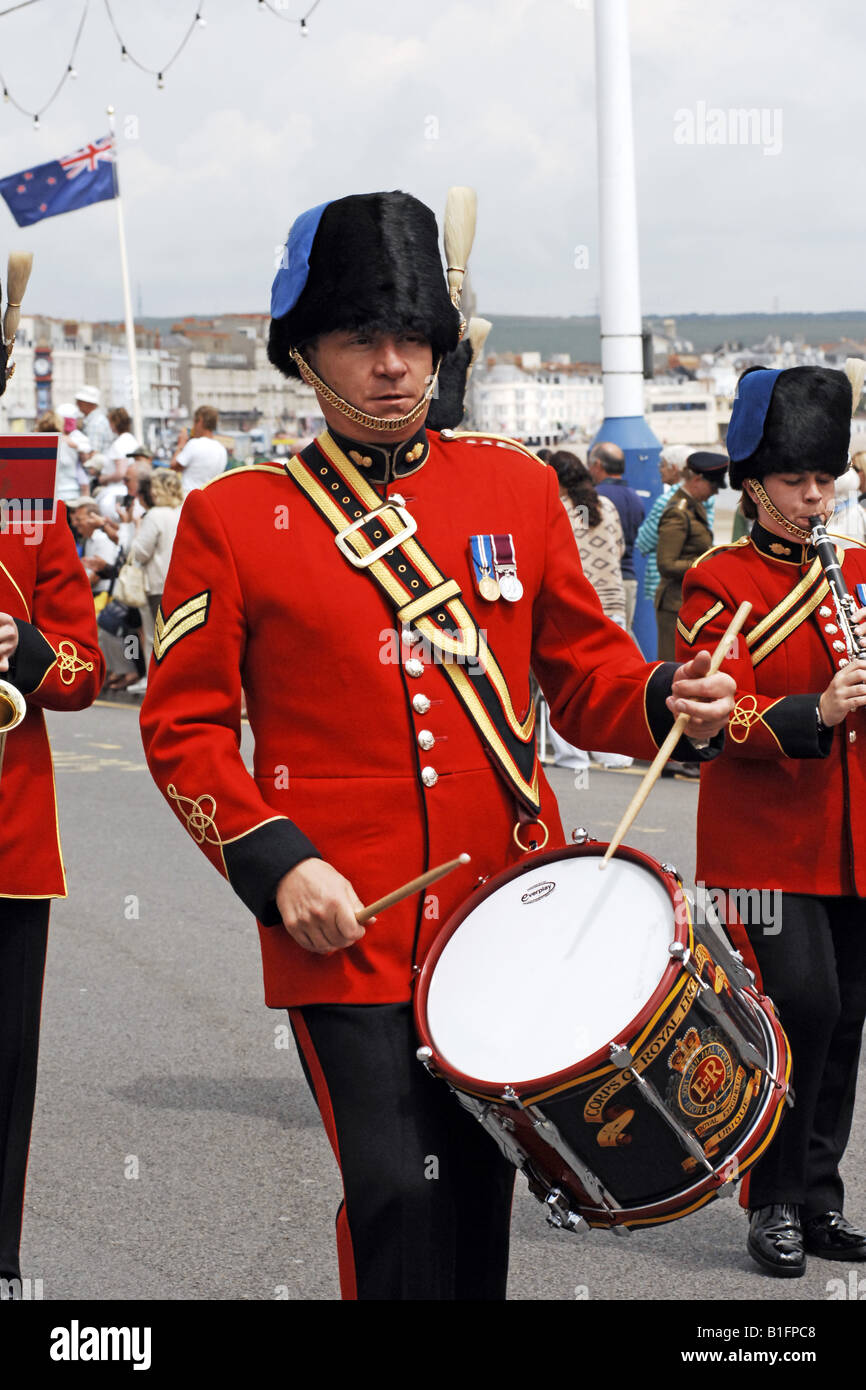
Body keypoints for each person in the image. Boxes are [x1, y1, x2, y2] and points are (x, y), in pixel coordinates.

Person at [140, 189, 735, 1302]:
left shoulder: (511, 485)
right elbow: (181, 731)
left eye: (411, 338)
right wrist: (275, 864)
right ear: (303, 354)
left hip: (505, 914)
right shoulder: (235, 516)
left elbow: (586, 673)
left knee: (474, 1198)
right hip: (345, 926)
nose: (392, 365)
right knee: (396, 1195)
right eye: (361, 339)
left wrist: (665, 696)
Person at [676, 364, 866, 1278]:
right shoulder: (719, 581)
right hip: (761, 846)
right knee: (800, 1007)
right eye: (798, 481)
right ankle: (774, 1204)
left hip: (852, 840)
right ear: (755, 483)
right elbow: (712, 717)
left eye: (826, 479)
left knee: (850, 1015)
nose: (817, 496)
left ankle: (821, 1201)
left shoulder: (857, 572)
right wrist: (816, 712)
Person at [0, 380, 104, 1295]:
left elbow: (82, 671)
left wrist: (20, 646)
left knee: (1, 1075)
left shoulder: (27, 500)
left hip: (6, 844)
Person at [547, 449, 631, 770]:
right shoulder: (607, 506)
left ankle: (573, 756)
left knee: (566, 682)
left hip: (578, 605)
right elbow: (620, 547)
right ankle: (615, 753)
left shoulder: (559, 510)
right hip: (613, 601)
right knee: (611, 682)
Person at [655, 451, 727, 662]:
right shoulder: (678, 512)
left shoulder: (695, 507)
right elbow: (666, 563)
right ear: (697, 480)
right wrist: (707, 563)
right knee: (674, 668)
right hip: (673, 604)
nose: (714, 493)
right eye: (713, 486)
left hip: (685, 600)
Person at [588, 440, 645, 635]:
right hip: (629, 579)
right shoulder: (635, 498)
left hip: (603, 584)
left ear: (598, 465)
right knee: (626, 637)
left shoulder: (592, 499)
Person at [170, 405, 227, 495]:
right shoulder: (221, 449)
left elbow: (174, 466)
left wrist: (181, 444)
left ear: (200, 421)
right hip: (208, 498)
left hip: (188, 497)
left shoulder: (194, 444)